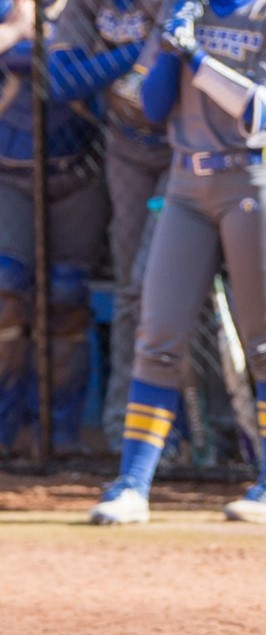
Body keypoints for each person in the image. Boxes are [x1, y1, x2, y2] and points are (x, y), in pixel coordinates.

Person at [88, 0, 266, 524]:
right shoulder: (183, 8)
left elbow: (261, 112)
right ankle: (133, 484)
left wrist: (196, 56)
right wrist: (172, 44)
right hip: (186, 184)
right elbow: (152, 105)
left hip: (254, 180)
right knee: (157, 336)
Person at [50, 0, 172, 456]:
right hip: (126, 150)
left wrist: (104, 64)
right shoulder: (85, 5)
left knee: (168, 287)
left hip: (182, 151)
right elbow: (60, 82)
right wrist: (142, 49)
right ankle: (124, 423)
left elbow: (164, 89)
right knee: (129, 289)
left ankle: (206, 431)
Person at [0, 0, 112, 457]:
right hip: (9, 176)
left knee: (66, 298)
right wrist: (16, 30)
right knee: (6, 292)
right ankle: (5, 434)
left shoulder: (89, 9)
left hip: (78, 174)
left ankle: (59, 436)